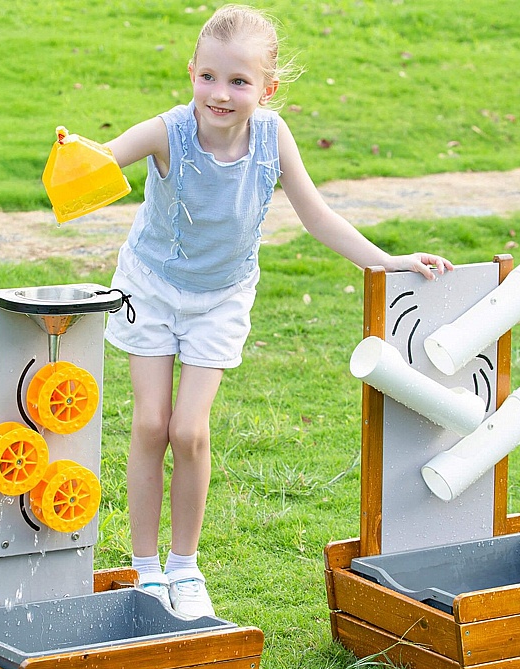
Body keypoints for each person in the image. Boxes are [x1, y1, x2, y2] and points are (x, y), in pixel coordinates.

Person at [101, 4, 453, 619]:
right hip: (150, 288)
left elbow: (317, 217)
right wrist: (76, 154)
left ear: (268, 88)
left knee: (188, 430)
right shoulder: (166, 132)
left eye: (239, 82)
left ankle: (184, 567)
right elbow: (103, 158)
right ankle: (146, 570)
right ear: (191, 73)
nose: (220, 93)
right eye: (209, 76)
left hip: (221, 298)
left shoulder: (272, 137)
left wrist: (386, 260)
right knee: (151, 424)